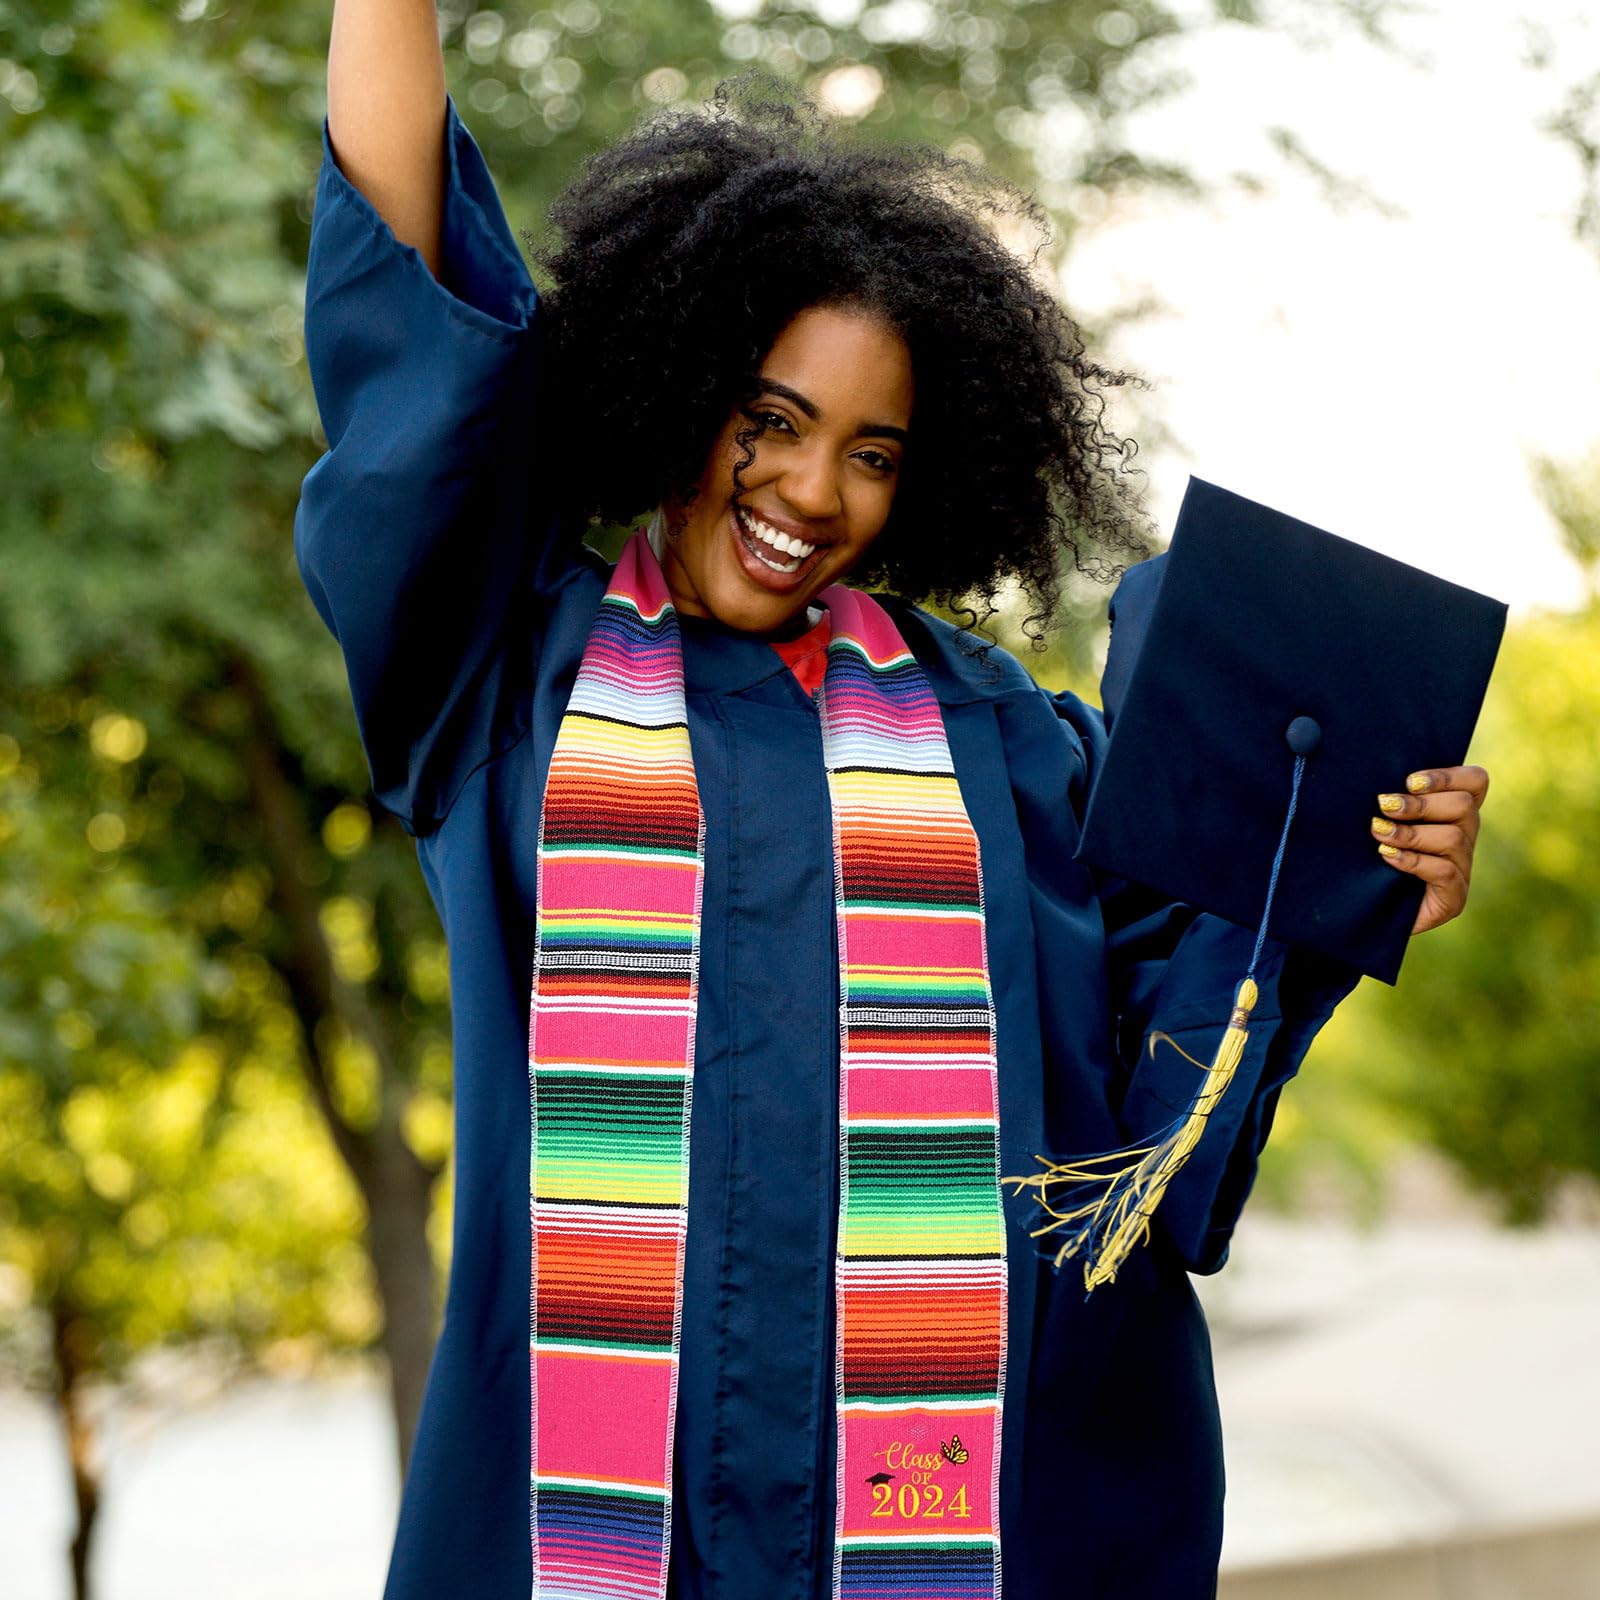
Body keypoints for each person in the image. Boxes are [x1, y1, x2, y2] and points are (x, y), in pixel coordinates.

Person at [295, 7, 1488, 1597]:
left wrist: (1355, 872)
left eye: (873, 454)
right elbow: (411, 315)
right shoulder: (513, 682)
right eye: (769, 421)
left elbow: (1158, 1095)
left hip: (942, 1540)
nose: (808, 492)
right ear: (678, 388)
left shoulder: (1013, 750)